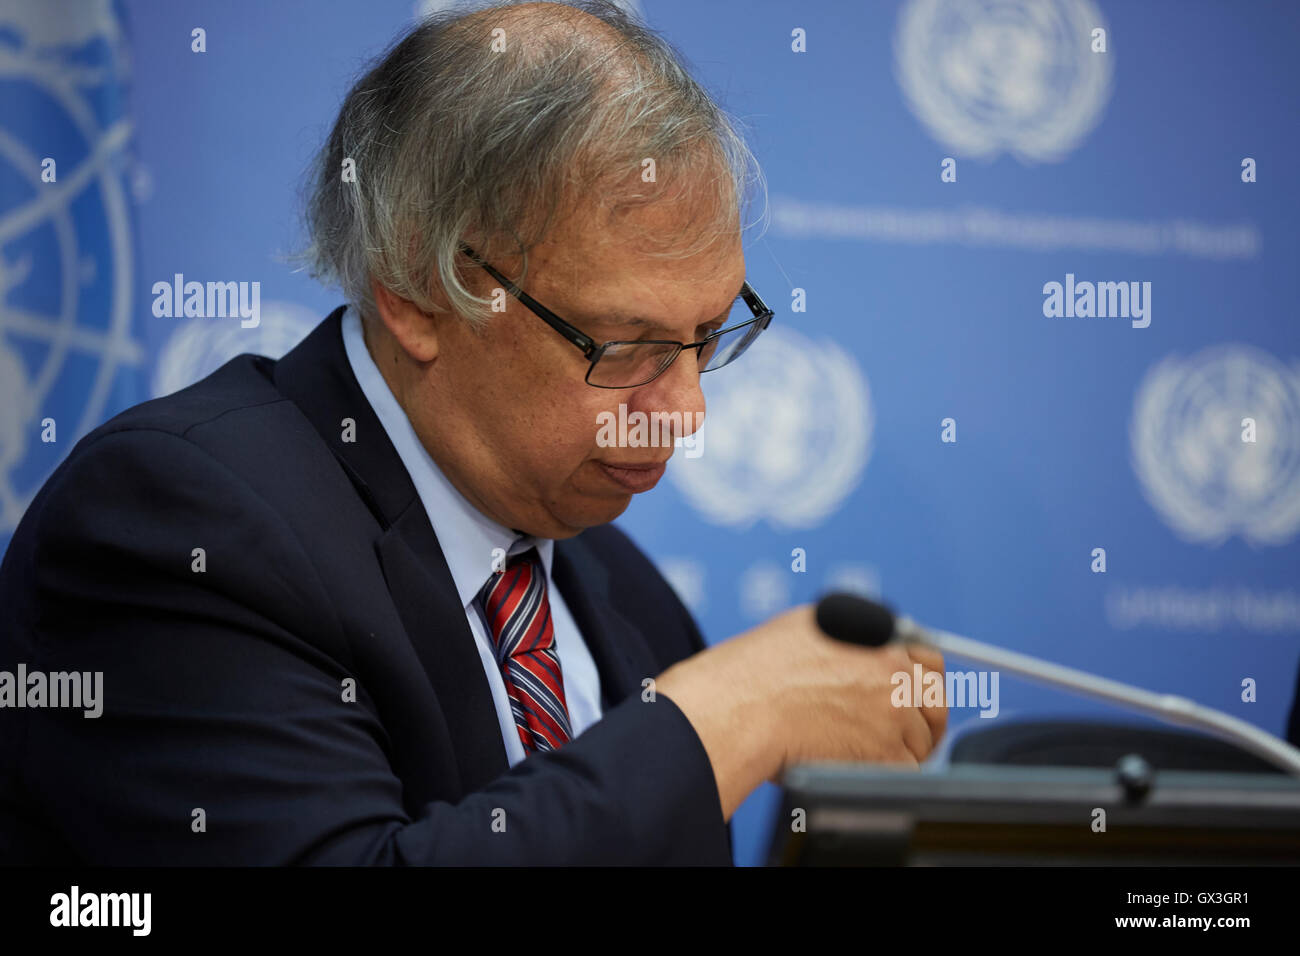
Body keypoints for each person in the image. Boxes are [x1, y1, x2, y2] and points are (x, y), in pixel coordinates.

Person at [0, 0, 946, 865]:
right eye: (628, 346)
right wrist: (730, 716)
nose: (689, 413)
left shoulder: (634, 601)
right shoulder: (179, 524)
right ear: (416, 286)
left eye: (708, 337)